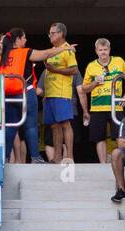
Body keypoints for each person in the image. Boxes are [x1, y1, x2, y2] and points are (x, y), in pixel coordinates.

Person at [0, 28, 76, 163]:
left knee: (10, 126)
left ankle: (6, 157)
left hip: (8, 94)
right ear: (18, 39)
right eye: (24, 38)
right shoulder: (25, 52)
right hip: (26, 93)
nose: (26, 40)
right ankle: (35, 157)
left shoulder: (4, 55)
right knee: (31, 126)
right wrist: (65, 49)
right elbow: (45, 53)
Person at [80, 38, 125, 165]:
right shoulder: (91, 66)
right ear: (96, 51)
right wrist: (95, 82)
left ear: (109, 50)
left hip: (116, 106)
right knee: (99, 137)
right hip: (97, 106)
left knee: (119, 136)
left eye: (105, 50)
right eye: (100, 50)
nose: (103, 52)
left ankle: (117, 162)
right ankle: (103, 164)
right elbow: (84, 88)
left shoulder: (119, 61)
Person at [42, 22, 78, 163]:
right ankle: (57, 157)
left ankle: (69, 156)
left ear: (61, 34)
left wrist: (55, 70)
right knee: (54, 126)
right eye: (49, 33)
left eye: (53, 33)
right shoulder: (52, 50)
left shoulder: (67, 49)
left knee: (65, 124)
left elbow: (74, 70)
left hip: (61, 93)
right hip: (50, 94)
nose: (50, 35)